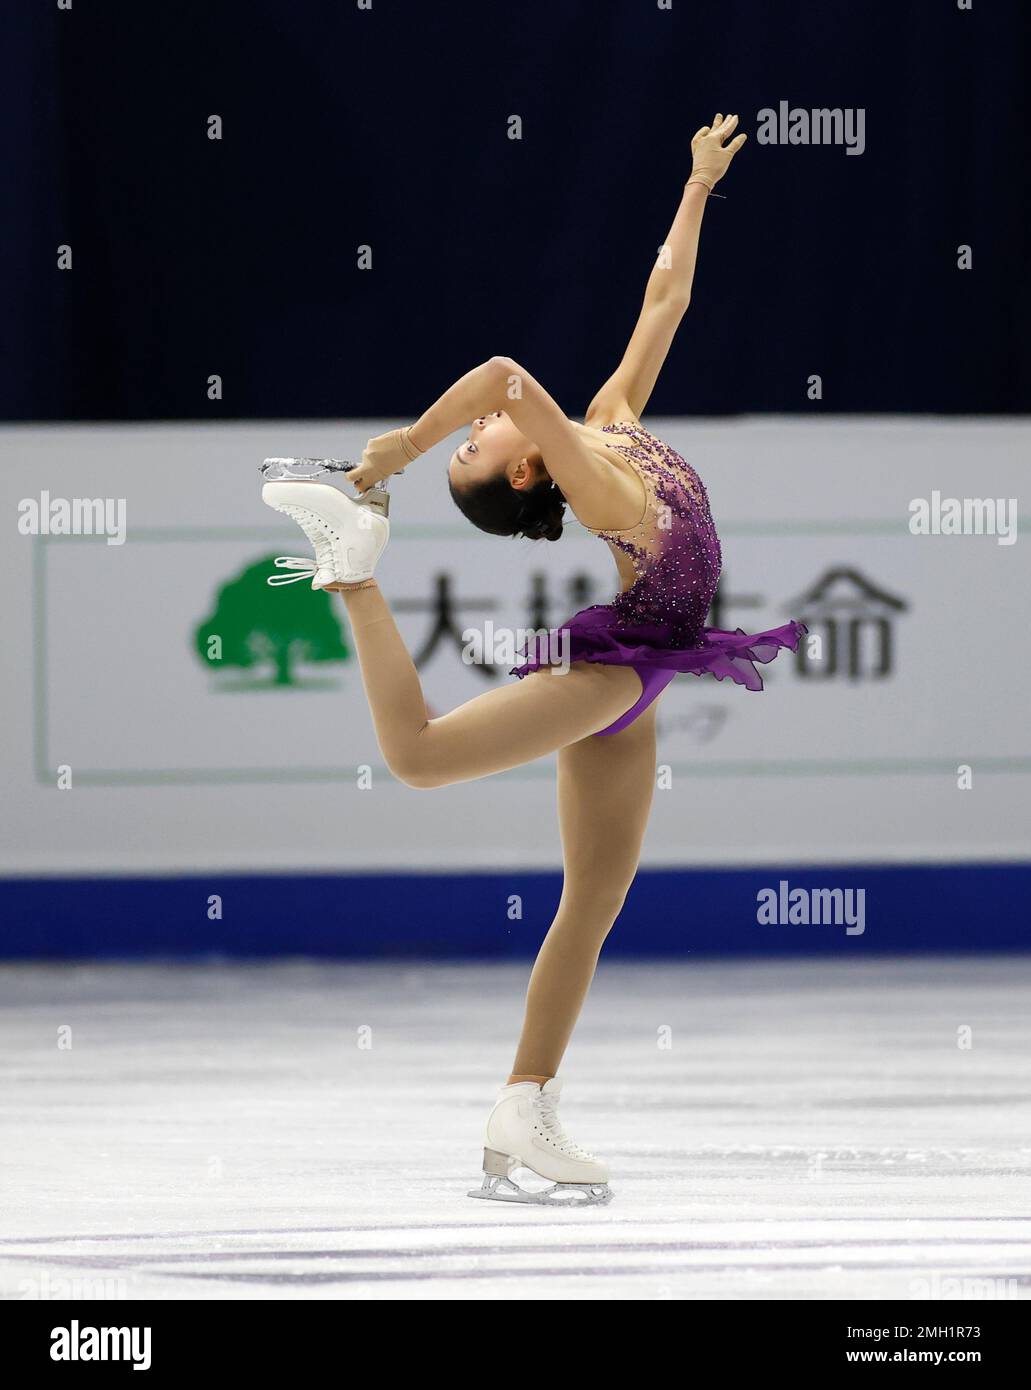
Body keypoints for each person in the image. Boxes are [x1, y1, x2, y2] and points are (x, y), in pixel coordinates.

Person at [262, 114, 805, 1205]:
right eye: (477, 448)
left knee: (592, 898)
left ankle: (526, 1104)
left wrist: (695, 188)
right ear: (522, 476)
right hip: (617, 674)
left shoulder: (610, 424)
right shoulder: (598, 483)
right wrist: (404, 453)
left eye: (464, 439)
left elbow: (664, 301)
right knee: (416, 757)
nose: (479, 431)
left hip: (646, 673)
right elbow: (504, 374)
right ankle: (352, 569)